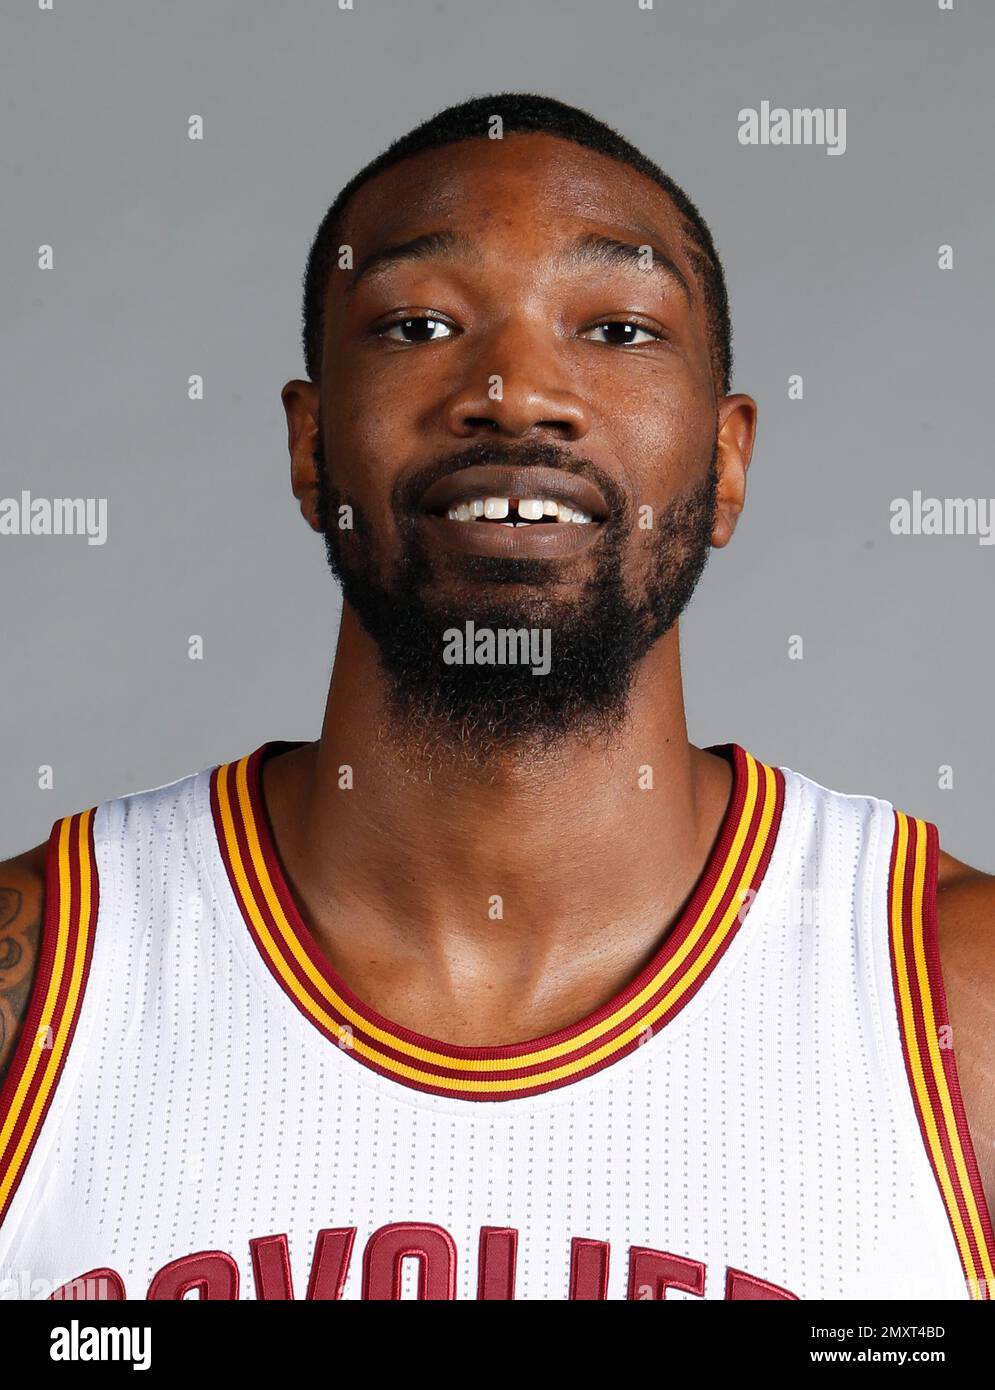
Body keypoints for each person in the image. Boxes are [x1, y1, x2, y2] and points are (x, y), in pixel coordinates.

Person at [0, 93, 992, 1301]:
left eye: (619, 330)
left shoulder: (957, 1004)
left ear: (725, 462)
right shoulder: (42, 988)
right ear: (310, 450)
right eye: (419, 322)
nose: (516, 392)